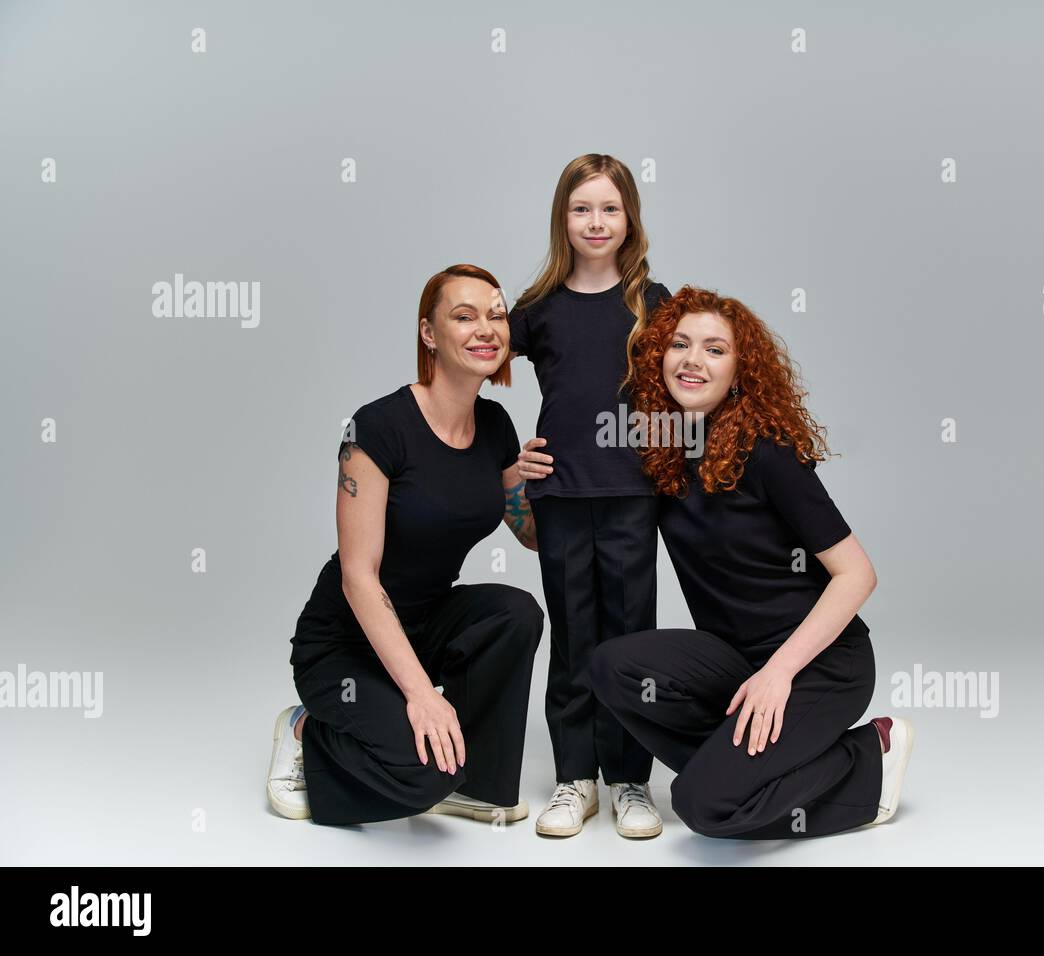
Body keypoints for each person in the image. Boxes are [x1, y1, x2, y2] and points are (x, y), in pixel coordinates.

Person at [581, 285, 915, 838]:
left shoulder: (767, 451)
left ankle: (867, 756)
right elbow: (544, 535)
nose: (692, 360)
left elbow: (857, 574)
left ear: (740, 371)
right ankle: (744, 769)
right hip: (735, 661)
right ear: (659, 356)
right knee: (611, 666)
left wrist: (779, 673)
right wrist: (514, 482)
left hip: (819, 664)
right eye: (680, 344)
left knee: (703, 807)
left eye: (715, 349)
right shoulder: (662, 449)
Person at [266, 264, 545, 827]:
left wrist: (531, 483)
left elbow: (531, 537)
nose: (484, 329)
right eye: (463, 316)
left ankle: (477, 783)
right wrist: (422, 695)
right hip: (343, 643)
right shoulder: (377, 427)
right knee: (422, 781)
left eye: (495, 315)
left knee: (515, 612)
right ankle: (305, 731)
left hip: (424, 624)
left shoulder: (494, 426)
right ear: (428, 333)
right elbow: (358, 576)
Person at [508, 154, 671, 838]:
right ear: (562, 219)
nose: (596, 222)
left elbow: (694, 388)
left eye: (609, 208)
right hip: (561, 496)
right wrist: (504, 466)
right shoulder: (537, 309)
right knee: (574, 637)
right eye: (582, 209)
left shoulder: (654, 304)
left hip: (634, 496)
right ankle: (575, 777)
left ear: (629, 216)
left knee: (630, 639)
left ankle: (630, 780)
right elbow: (464, 365)